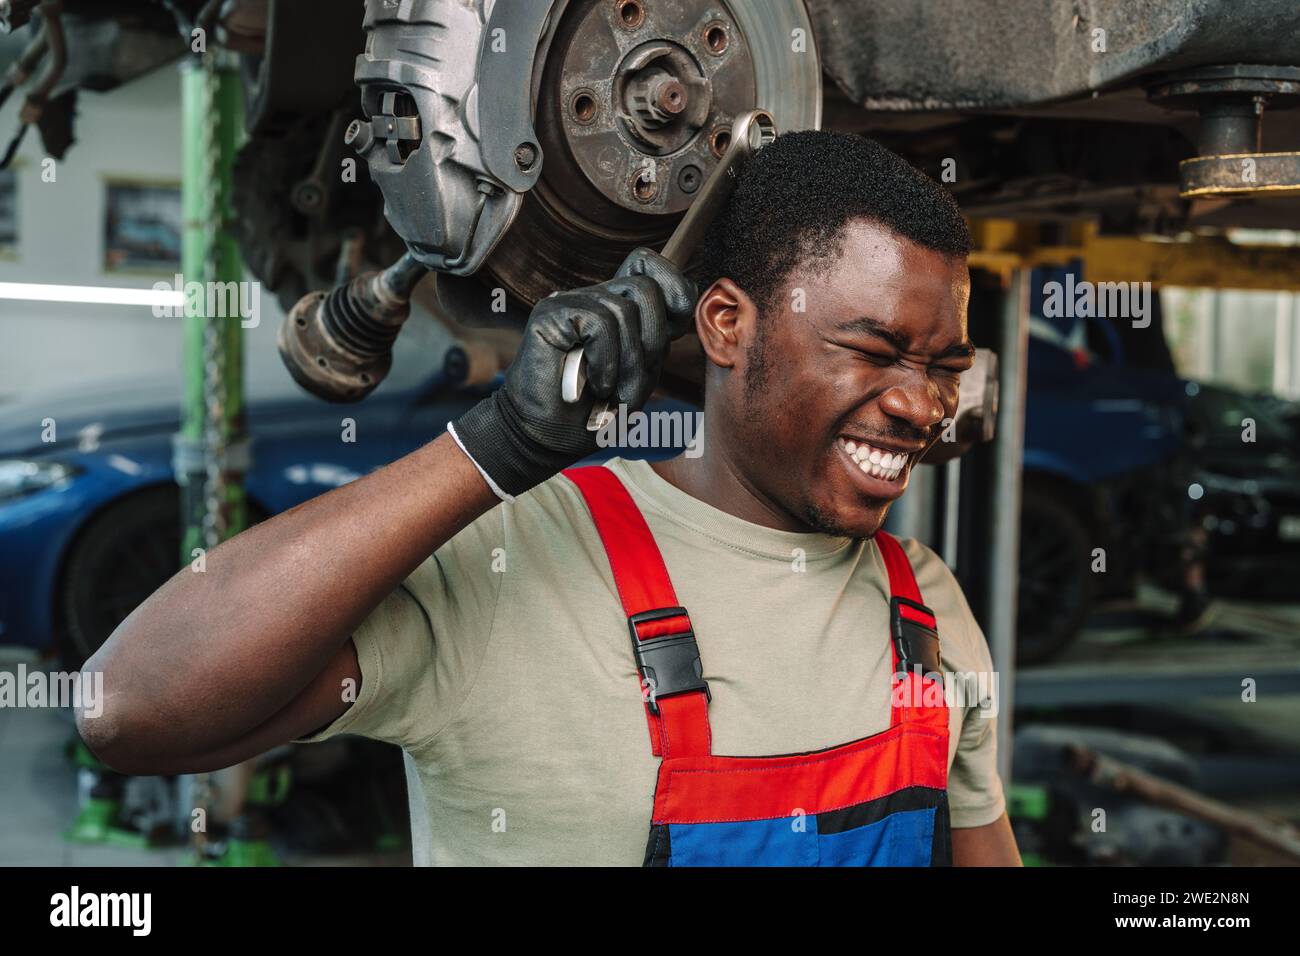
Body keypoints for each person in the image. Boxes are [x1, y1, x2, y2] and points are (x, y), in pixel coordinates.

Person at [82, 130, 1021, 866]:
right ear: (729, 325)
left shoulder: (925, 605)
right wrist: (496, 448)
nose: (921, 405)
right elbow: (129, 709)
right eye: (874, 350)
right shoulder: (523, 561)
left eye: (945, 366)